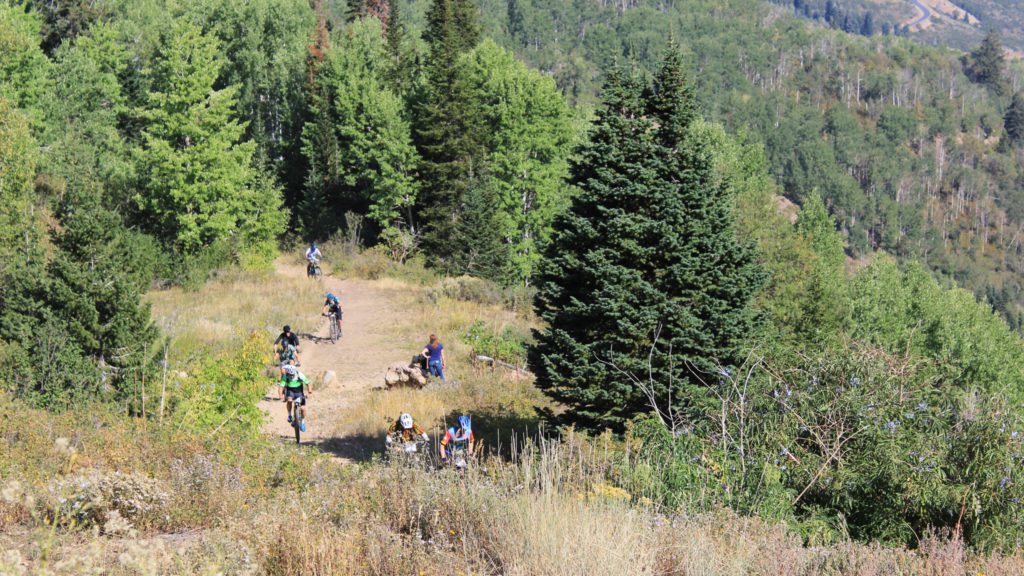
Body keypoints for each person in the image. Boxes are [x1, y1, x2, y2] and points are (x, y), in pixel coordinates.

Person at [278, 364, 312, 432]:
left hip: (299, 392)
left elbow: (308, 383)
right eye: (289, 374)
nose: (291, 376)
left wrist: (309, 392)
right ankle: (290, 415)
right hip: (290, 391)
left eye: (292, 375)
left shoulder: (300, 375)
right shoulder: (285, 376)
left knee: (303, 408)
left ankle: (302, 421)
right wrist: (280, 395)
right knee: (289, 400)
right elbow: (281, 387)